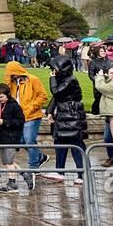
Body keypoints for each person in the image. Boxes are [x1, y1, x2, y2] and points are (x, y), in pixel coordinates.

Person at [41, 55, 87, 185]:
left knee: (76, 145)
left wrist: (52, 78)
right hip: (63, 115)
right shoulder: (63, 80)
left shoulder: (71, 80)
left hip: (71, 115)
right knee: (59, 143)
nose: (52, 72)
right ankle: (59, 172)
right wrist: (49, 111)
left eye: (54, 69)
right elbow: (57, 98)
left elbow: (55, 92)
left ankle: (82, 173)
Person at [4, 60, 50, 174]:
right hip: (18, 116)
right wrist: (8, 80)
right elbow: (6, 93)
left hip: (32, 115)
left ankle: (33, 167)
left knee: (29, 141)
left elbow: (43, 96)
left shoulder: (33, 80)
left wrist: (31, 107)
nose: (11, 76)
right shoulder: (13, 82)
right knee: (20, 141)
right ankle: (40, 157)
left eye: (11, 73)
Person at [0, 83, 29, 191]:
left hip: (12, 137)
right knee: (7, 161)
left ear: (7, 95)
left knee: (9, 162)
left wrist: (4, 122)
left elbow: (20, 121)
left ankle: (12, 184)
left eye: (2, 97)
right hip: (1, 136)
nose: (0, 99)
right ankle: (26, 174)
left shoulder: (14, 106)